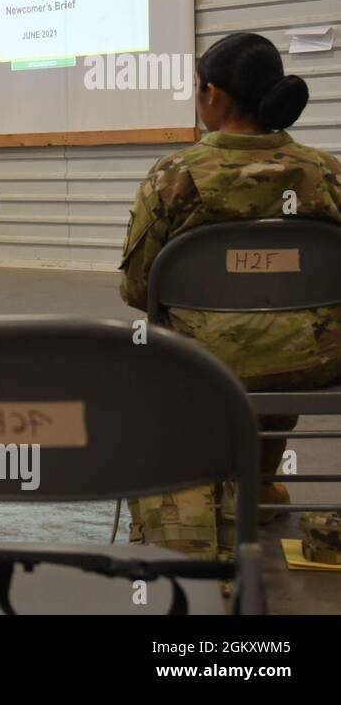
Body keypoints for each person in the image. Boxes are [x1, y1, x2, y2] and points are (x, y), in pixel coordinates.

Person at [120, 31, 341, 559]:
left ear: (213, 94)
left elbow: (137, 288)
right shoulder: (327, 172)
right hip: (314, 360)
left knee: (212, 345)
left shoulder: (173, 175)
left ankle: (195, 503)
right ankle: (258, 480)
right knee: (280, 331)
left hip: (203, 363)